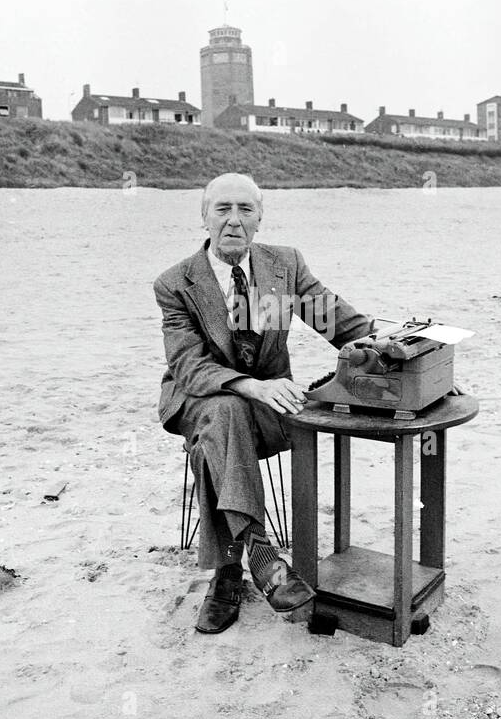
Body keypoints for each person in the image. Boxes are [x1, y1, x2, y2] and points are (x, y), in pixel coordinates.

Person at [154, 173, 374, 633]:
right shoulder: (175, 284)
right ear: (204, 217)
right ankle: (256, 558)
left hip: (266, 409)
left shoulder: (285, 266)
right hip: (198, 399)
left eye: (245, 211)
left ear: (259, 220)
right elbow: (189, 367)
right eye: (222, 210)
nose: (233, 221)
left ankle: (231, 572)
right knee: (224, 413)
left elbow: (341, 323)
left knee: (215, 440)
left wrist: (403, 351)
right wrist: (254, 386)